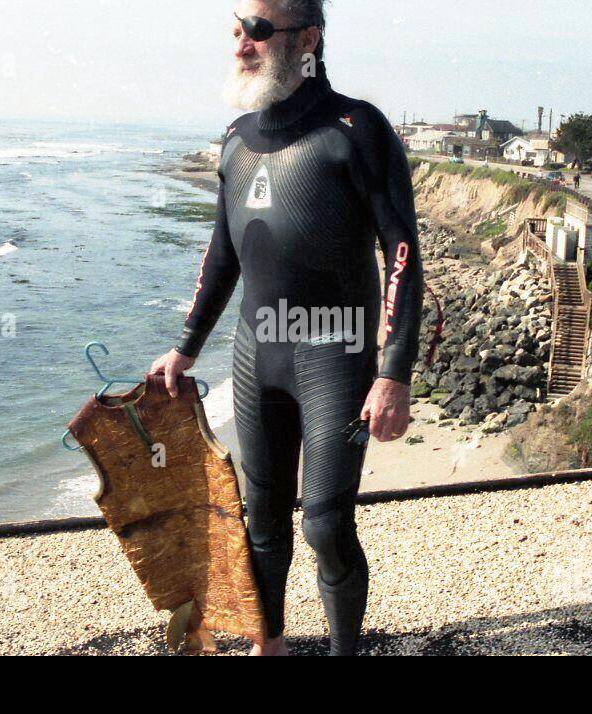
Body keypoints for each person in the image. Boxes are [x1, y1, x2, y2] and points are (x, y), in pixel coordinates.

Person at [149, 0, 423, 656]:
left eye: (259, 31)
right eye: (236, 29)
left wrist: (393, 373)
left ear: (307, 39)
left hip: (337, 350)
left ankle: (343, 651)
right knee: (262, 523)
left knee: (326, 523)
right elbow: (222, 254)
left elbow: (404, 253)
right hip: (256, 355)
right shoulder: (237, 139)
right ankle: (266, 647)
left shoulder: (357, 129)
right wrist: (186, 347)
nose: (241, 44)